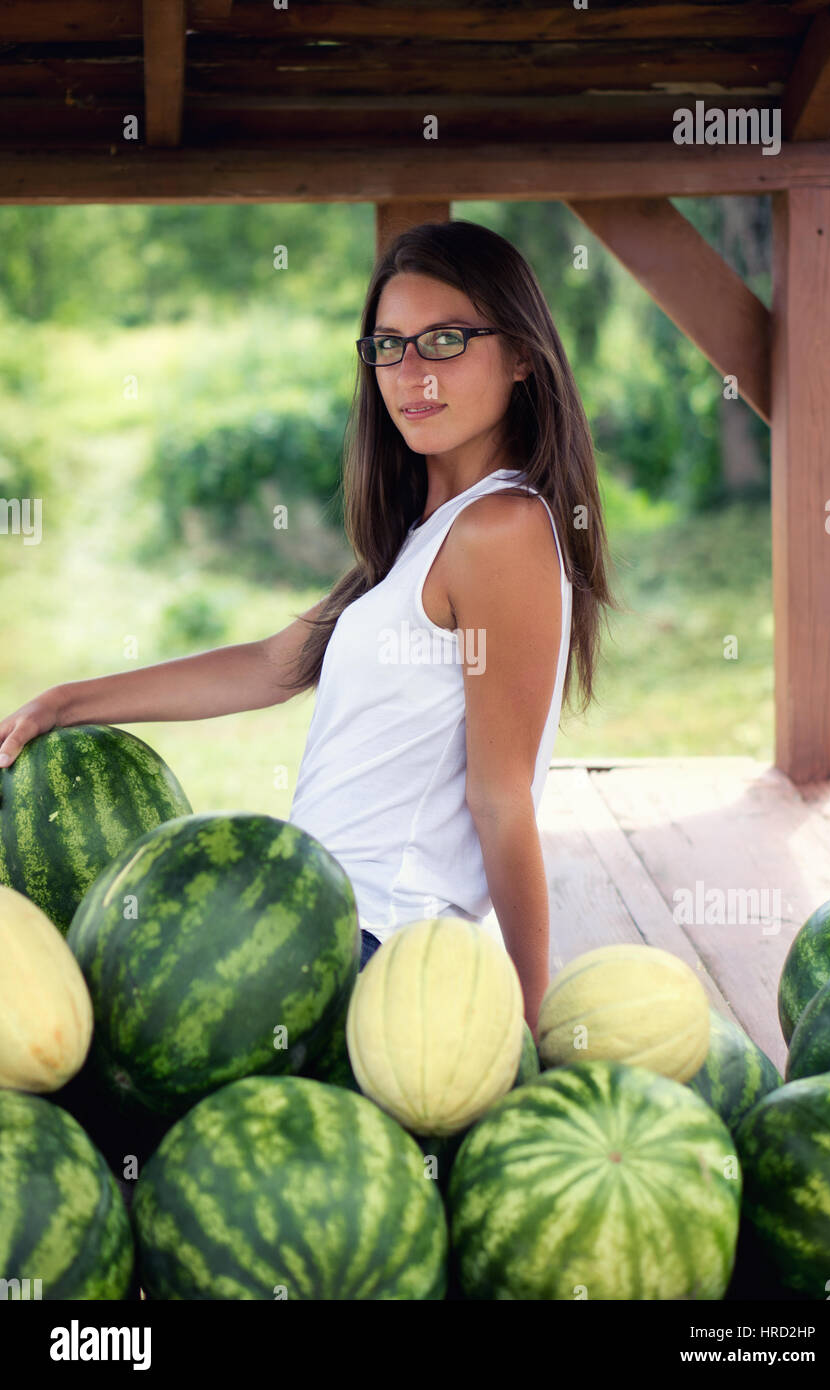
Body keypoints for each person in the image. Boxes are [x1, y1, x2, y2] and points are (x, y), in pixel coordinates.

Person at [0, 220, 620, 1039]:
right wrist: (65, 703)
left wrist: (535, 1018)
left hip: (369, 951)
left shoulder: (500, 531)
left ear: (521, 355)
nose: (412, 373)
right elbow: (268, 665)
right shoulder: (424, 534)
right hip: (309, 921)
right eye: (389, 346)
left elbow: (500, 799)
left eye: (444, 340)